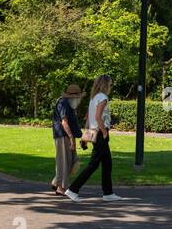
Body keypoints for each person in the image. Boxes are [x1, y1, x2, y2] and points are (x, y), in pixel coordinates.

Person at [67, 74, 120, 202]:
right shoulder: (103, 97)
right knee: (93, 164)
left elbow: (88, 118)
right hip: (101, 133)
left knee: (107, 164)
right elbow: (97, 117)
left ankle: (108, 193)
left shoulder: (93, 98)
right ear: (105, 84)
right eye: (110, 84)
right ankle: (73, 190)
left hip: (95, 132)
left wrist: (86, 133)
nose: (111, 86)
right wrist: (104, 132)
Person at [50, 83, 84, 196]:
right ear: (73, 97)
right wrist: (70, 138)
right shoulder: (63, 103)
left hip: (64, 135)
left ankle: (57, 182)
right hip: (63, 135)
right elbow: (64, 122)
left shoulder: (67, 104)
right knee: (65, 161)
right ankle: (61, 187)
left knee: (69, 160)